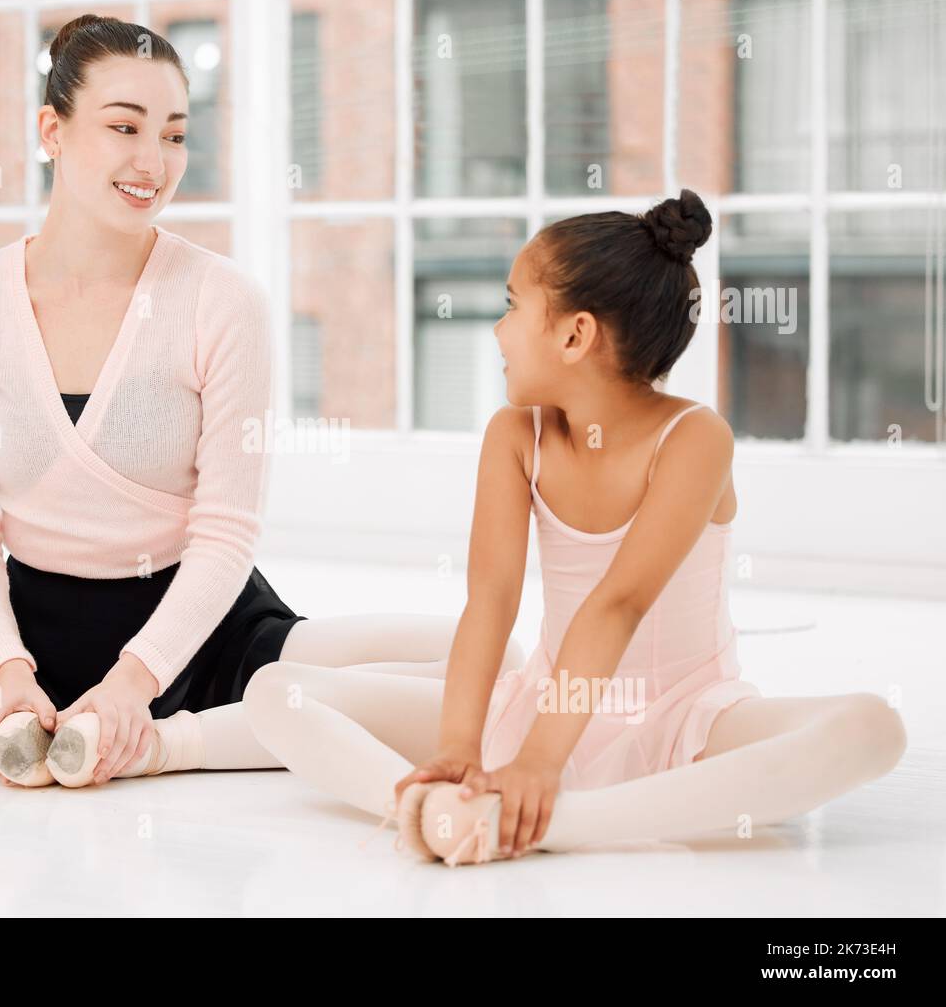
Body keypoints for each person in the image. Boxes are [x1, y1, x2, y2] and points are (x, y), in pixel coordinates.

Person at [0, 15, 522, 786]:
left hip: (203, 643)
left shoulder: (223, 300)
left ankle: (161, 745)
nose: (153, 162)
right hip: (20, 638)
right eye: (124, 127)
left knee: (506, 674)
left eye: (174, 134)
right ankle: (3, 737)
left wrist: (133, 684)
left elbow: (226, 533)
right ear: (52, 131)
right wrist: (6, 673)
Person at [242, 189, 908, 865]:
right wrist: (459, 747)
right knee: (276, 691)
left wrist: (540, 763)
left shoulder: (695, 437)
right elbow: (491, 601)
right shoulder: (516, 435)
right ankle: (434, 807)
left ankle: (551, 824)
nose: (498, 331)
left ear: (574, 335)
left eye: (512, 306)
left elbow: (619, 603)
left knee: (871, 726)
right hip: (538, 707)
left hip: (685, 724)